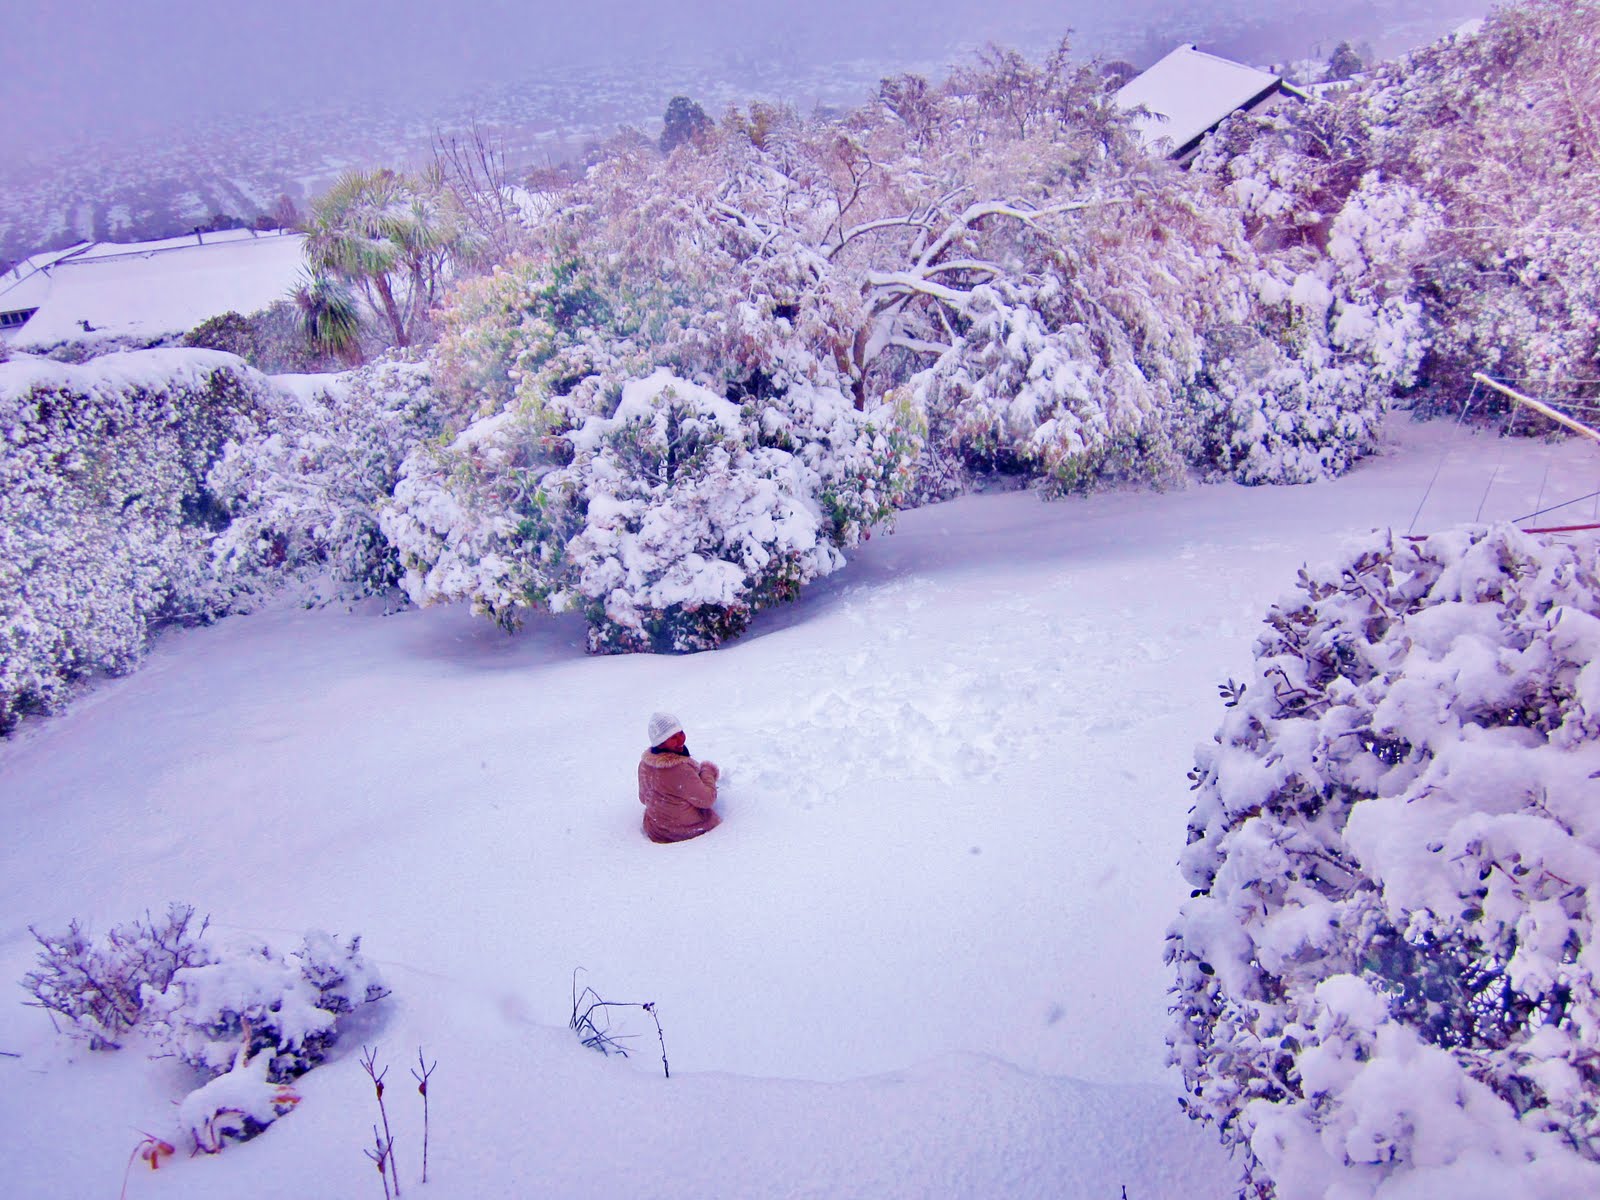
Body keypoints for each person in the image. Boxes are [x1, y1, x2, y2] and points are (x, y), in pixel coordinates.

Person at [637, 711, 721, 843]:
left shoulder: (644, 765)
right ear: (660, 743)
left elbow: (643, 798)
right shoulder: (679, 770)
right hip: (685, 832)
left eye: (681, 733)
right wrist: (707, 771)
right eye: (673, 738)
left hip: (655, 829)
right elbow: (707, 799)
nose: (681, 740)